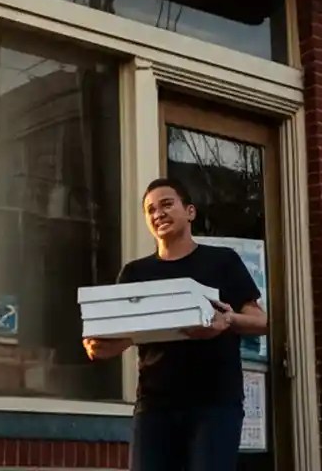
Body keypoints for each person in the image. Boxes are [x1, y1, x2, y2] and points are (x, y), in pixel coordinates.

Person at [83, 177, 267, 471]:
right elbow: (112, 341)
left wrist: (228, 319)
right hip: (155, 404)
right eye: (150, 210)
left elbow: (260, 321)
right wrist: (100, 343)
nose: (158, 214)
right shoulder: (135, 273)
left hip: (215, 402)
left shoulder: (222, 261)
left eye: (167, 204)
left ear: (190, 212)